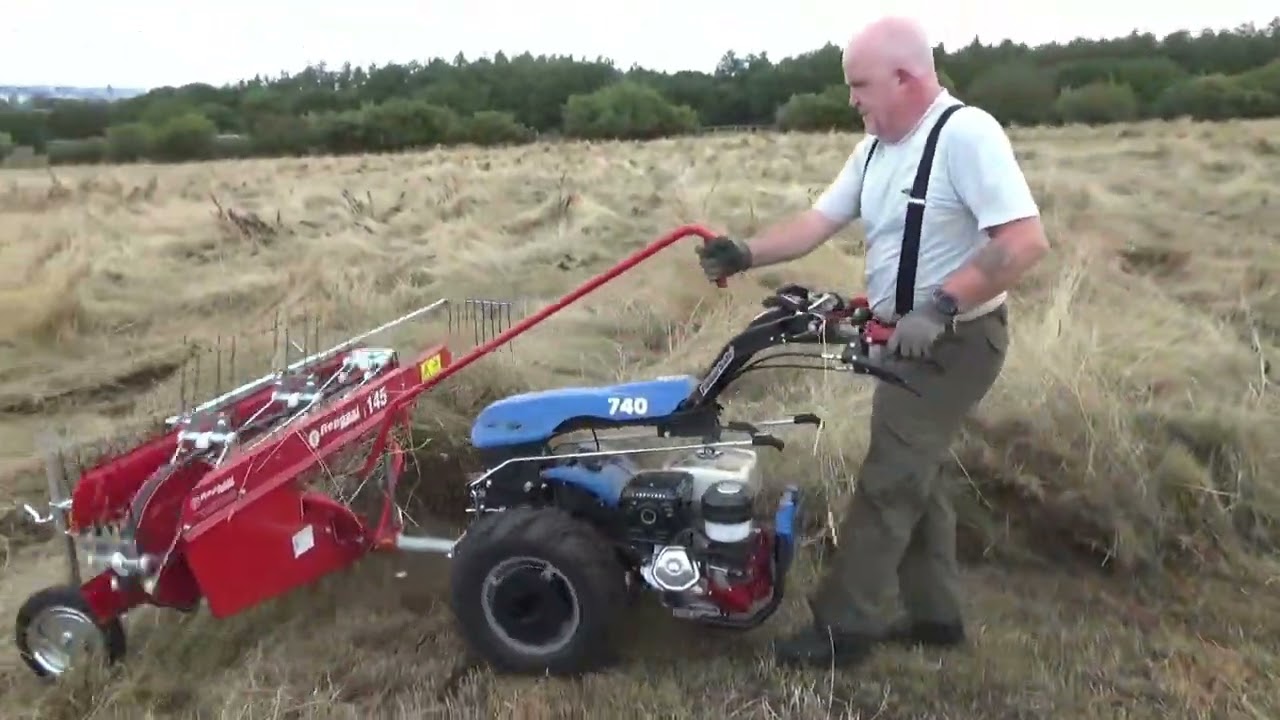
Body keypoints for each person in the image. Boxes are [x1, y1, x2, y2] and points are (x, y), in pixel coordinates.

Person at [696, 15, 1050, 668]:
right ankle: (935, 617)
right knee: (916, 473)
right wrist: (745, 253)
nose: (852, 99)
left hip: (957, 342)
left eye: (860, 85)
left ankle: (842, 630)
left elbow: (1023, 240)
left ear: (906, 78)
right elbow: (815, 223)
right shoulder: (877, 149)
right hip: (907, 343)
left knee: (890, 480)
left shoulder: (965, 136)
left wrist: (940, 306)